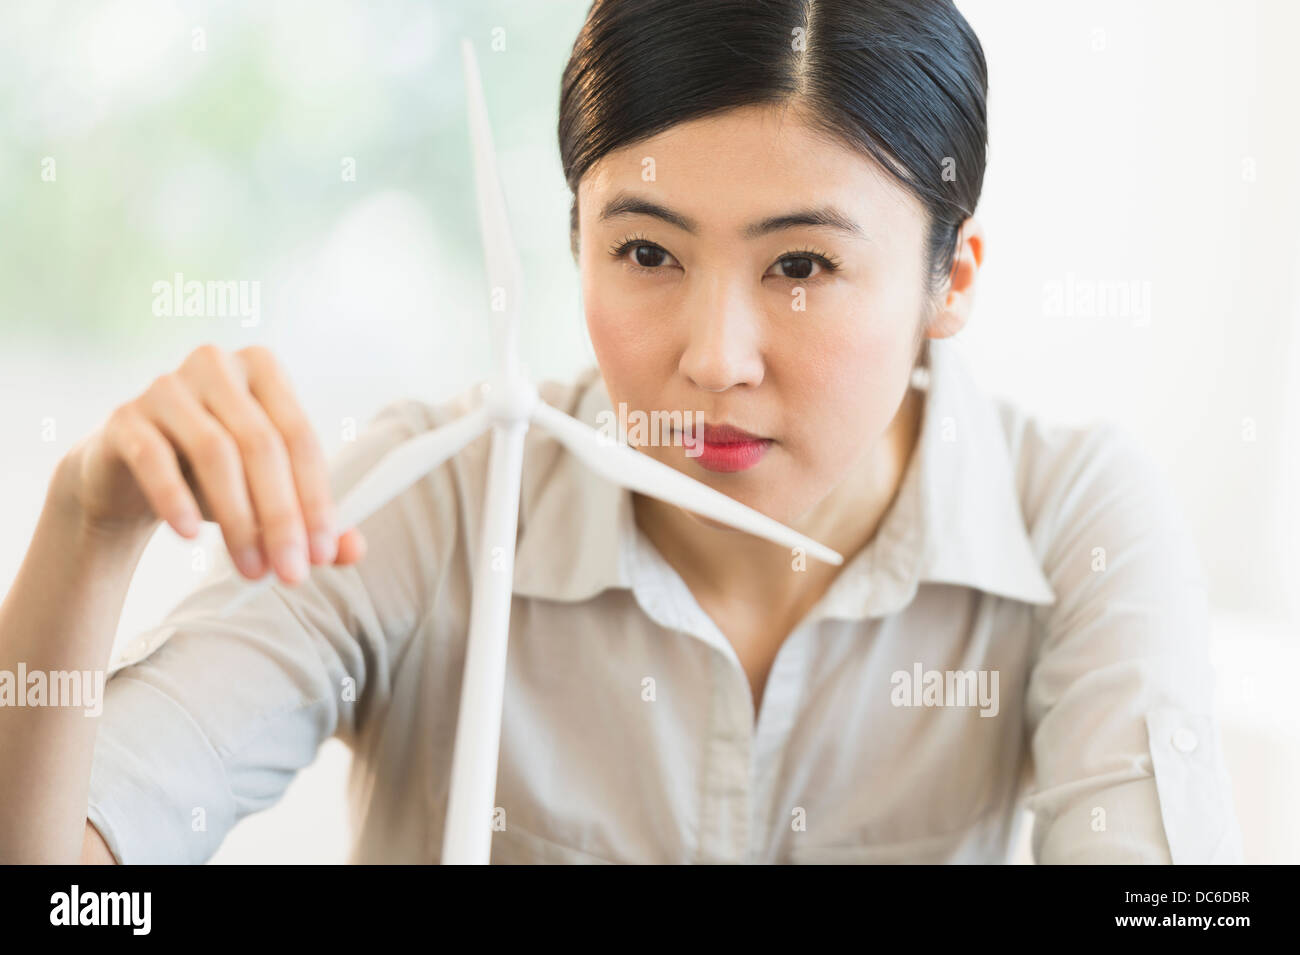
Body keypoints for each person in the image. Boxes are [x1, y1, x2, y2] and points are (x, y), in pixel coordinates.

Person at [0, 0, 1242, 864]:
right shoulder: (425, 498)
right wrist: (87, 529)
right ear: (574, 240)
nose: (713, 357)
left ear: (950, 277)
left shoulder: (1071, 517)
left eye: (800, 263)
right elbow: (70, 895)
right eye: (645, 251)